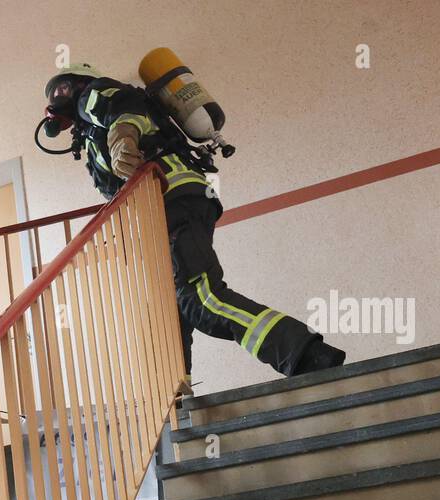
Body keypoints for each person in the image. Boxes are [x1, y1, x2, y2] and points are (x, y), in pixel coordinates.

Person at [40, 65, 345, 379]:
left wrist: (123, 139)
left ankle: (305, 354)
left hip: (172, 198)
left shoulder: (95, 94)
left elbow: (122, 106)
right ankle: (177, 399)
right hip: (166, 209)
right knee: (173, 312)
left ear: (80, 83)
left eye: (61, 88)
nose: (57, 98)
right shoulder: (90, 134)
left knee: (203, 299)